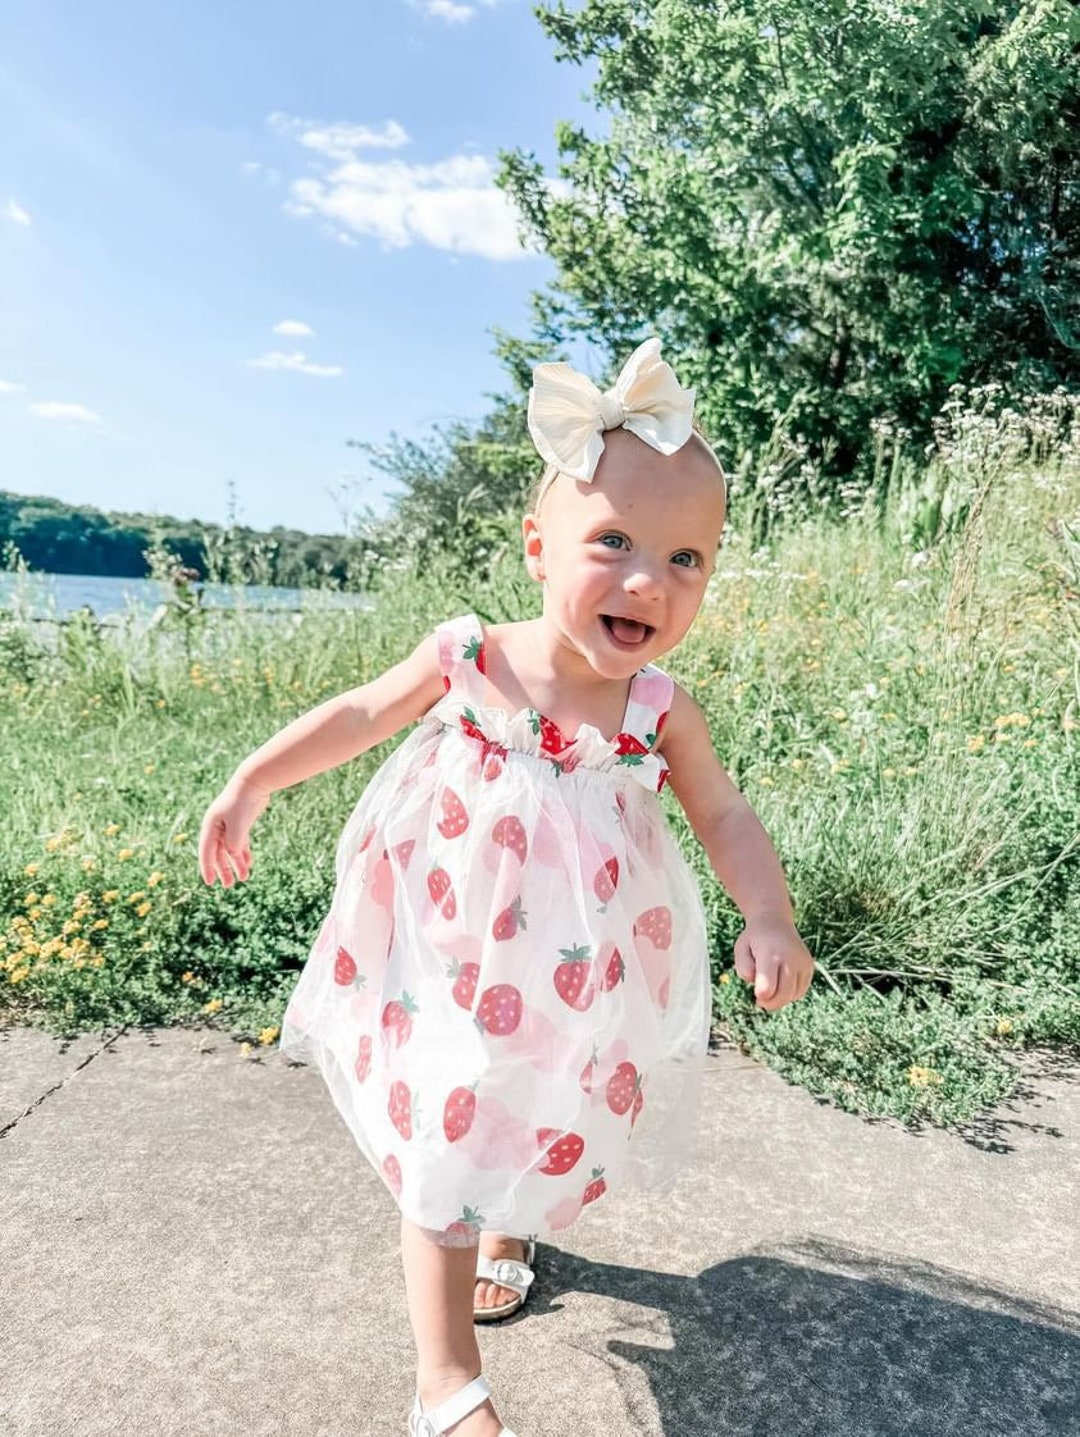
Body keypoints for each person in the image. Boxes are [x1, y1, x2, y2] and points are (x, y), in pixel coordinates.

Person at [198, 338, 815, 1437]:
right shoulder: (471, 657)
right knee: (448, 1116)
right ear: (539, 547)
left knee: (539, 1100)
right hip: (446, 948)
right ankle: (445, 1381)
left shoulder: (659, 709)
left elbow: (721, 814)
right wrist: (252, 782)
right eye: (613, 542)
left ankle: (511, 1225)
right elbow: (355, 715)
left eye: (685, 560)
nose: (646, 581)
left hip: (576, 968)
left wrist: (767, 913)